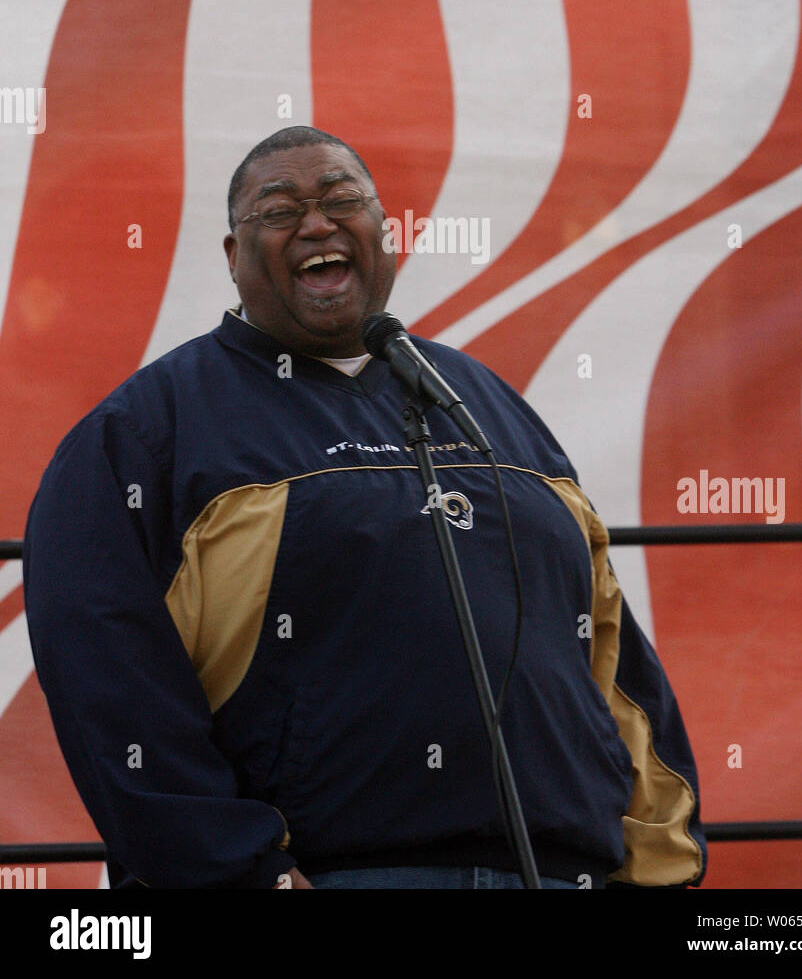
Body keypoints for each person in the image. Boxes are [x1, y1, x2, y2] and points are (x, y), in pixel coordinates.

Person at [24, 126, 706, 890]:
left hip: (559, 875)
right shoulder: (148, 432)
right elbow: (110, 687)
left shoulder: (485, 406)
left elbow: (609, 655)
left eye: (342, 199)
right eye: (278, 211)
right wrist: (239, 873)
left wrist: (660, 865)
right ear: (232, 257)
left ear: (383, 233)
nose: (317, 224)